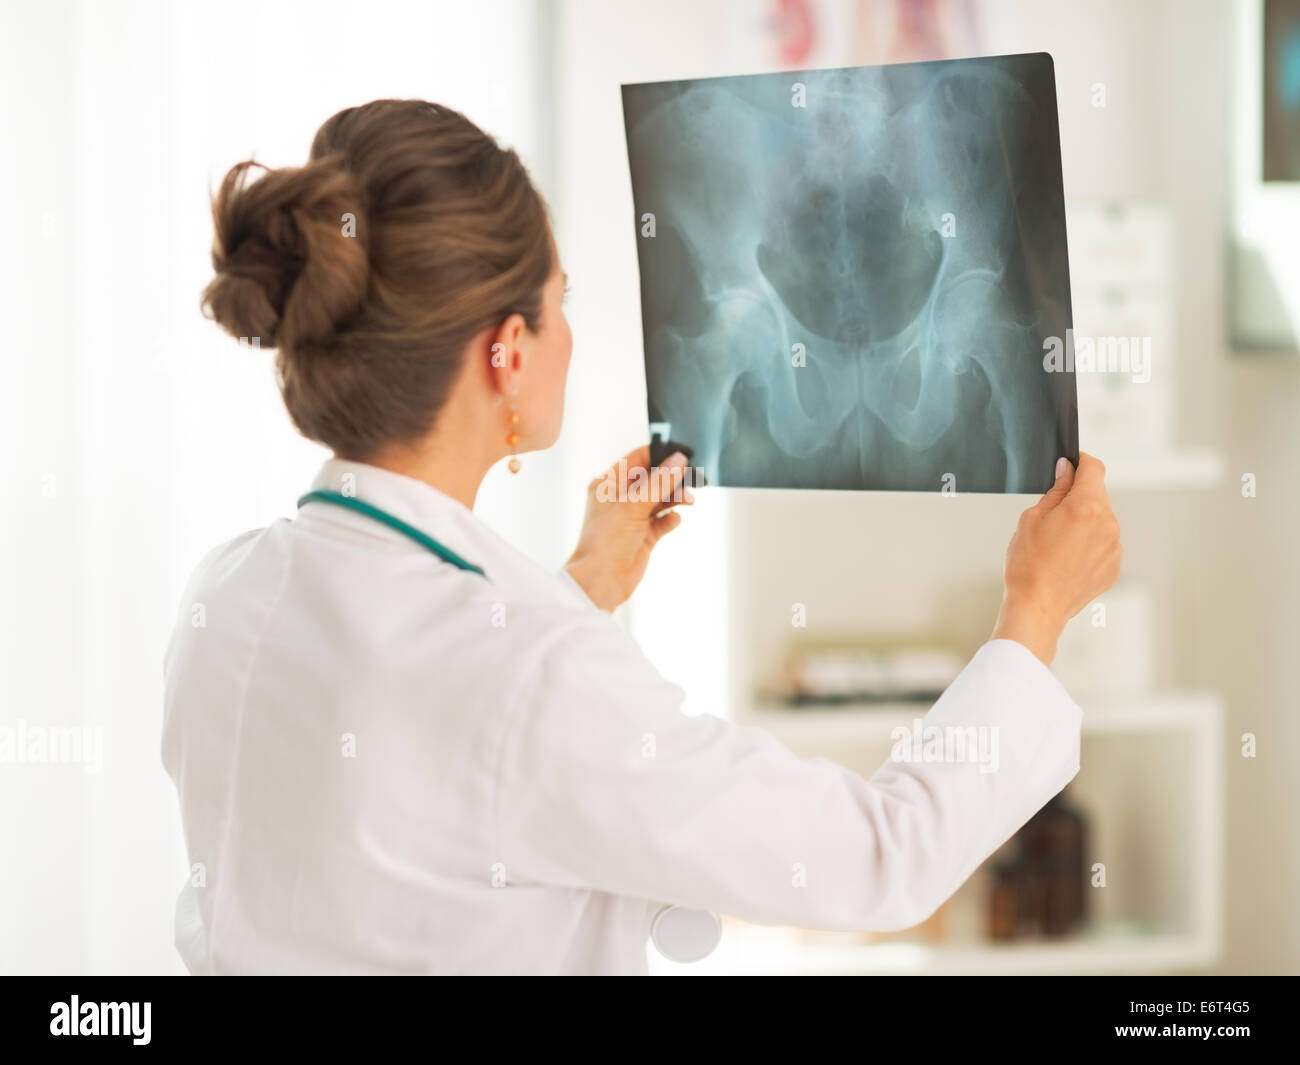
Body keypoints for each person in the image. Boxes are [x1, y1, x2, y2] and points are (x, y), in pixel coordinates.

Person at [162, 98, 1122, 975]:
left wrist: (581, 585)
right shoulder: (537, 674)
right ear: (507, 349)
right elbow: (880, 857)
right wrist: (1034, 614)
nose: (571, 338)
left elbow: (426, 767)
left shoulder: (226, 594)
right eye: (560, 302)